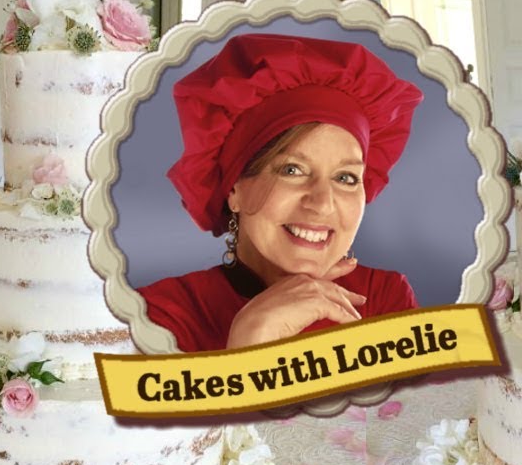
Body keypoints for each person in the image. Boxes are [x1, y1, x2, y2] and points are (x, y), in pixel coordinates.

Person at [137, 33, 425, 352]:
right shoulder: (161, 315)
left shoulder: (384, 299)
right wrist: (250, 342)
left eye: (345, 177)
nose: (322, 203)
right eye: (292, 170)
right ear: (234, 189)